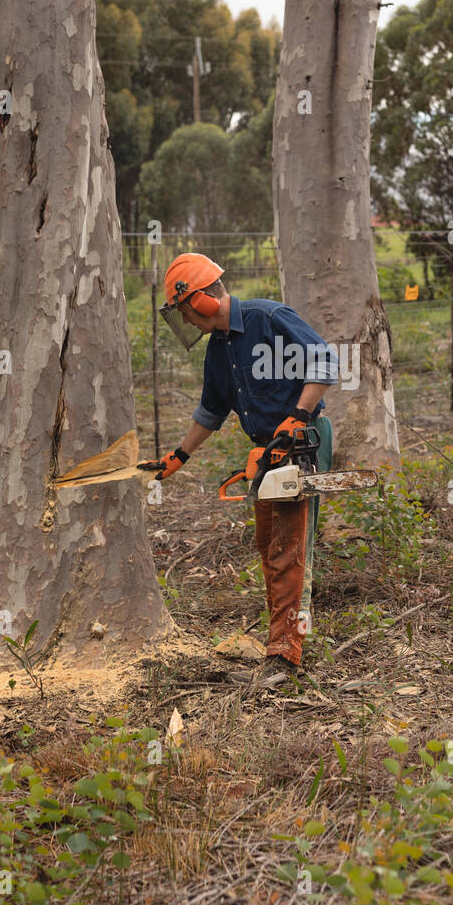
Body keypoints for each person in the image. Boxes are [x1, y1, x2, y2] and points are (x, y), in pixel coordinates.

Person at [140, 252, 337, 687]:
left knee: (289, 549)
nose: (188, 322)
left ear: (204, 299)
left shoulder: (271, 319)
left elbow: (325, 361)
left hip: (302, 441)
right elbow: (211, 410)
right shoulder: (220, 349)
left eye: (187, 311)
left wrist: (298, 417)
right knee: (271, 546)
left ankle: (286, 656)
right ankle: (282, 638)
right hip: (268, 451)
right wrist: (178, 456)